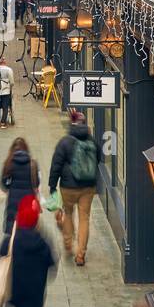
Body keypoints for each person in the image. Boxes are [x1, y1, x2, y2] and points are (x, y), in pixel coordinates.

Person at [0, 194, 56, 307]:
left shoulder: (11, 241)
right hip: (35, 293)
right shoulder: (43, 243)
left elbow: (1, 257)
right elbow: (52, 265)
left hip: (15, 291)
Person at [47, 107, 98, 266]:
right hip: (88, 187)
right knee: (85, 219)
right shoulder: (92, 141)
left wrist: (52, 186)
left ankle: (68, 243)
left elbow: (56, 164)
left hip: (68, 187)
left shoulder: (65, 142)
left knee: (68, 214)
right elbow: (99, 160)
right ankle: (81, 254)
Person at [0, 136, 40, 233]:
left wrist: (10, 187)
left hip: (13, 198)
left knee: (12, 221)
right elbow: (36, 183)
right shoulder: (33, 164)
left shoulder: (9, 163)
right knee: (27, 222)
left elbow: (4, 183)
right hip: (28, 198)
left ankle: (13, 242)